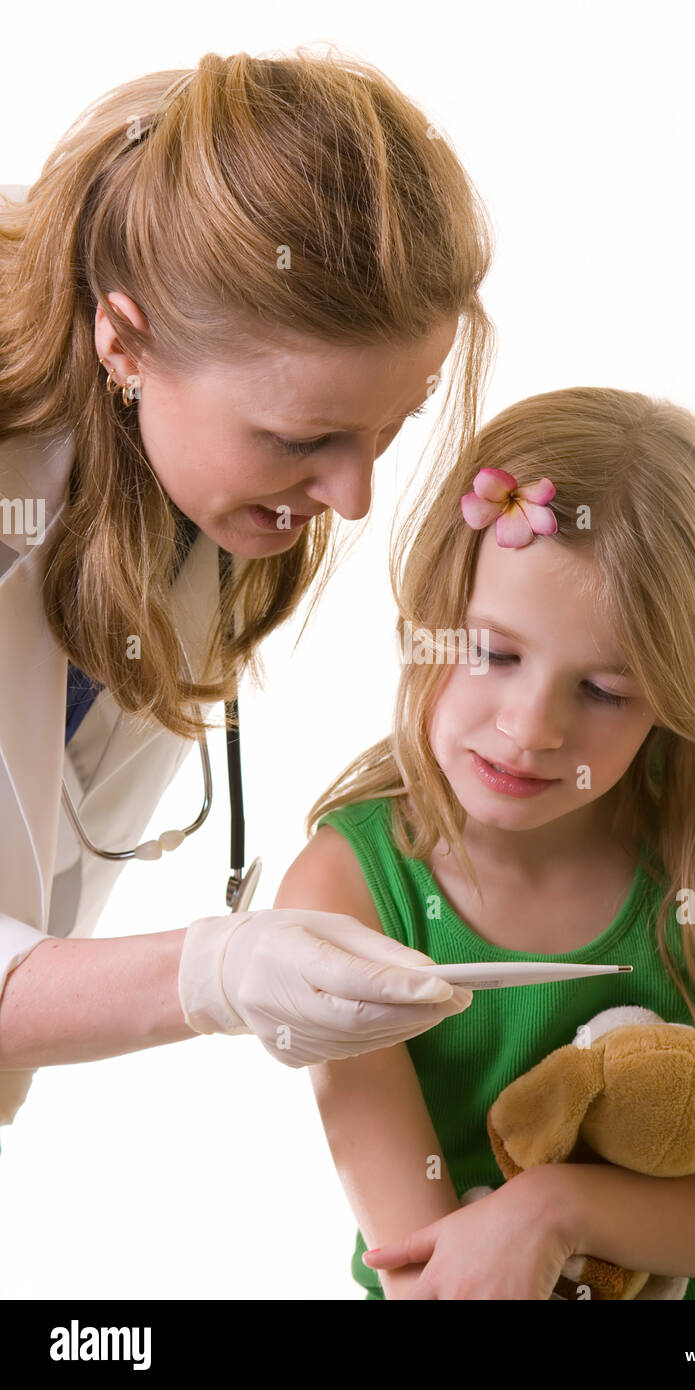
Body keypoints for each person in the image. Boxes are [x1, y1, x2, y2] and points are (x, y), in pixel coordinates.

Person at [273, 386, 695, 1299]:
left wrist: (560, 1210)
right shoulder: (344, 892)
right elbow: (426, 1275)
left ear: (676, 703)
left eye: (604, 691)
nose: (529, 728)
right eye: (494, 653)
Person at [0, 48, 494, 1131]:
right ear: (122, 342)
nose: (354, 496)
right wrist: (211, 972)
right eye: (300, 438)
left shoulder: (180, 484)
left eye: (389, 429)